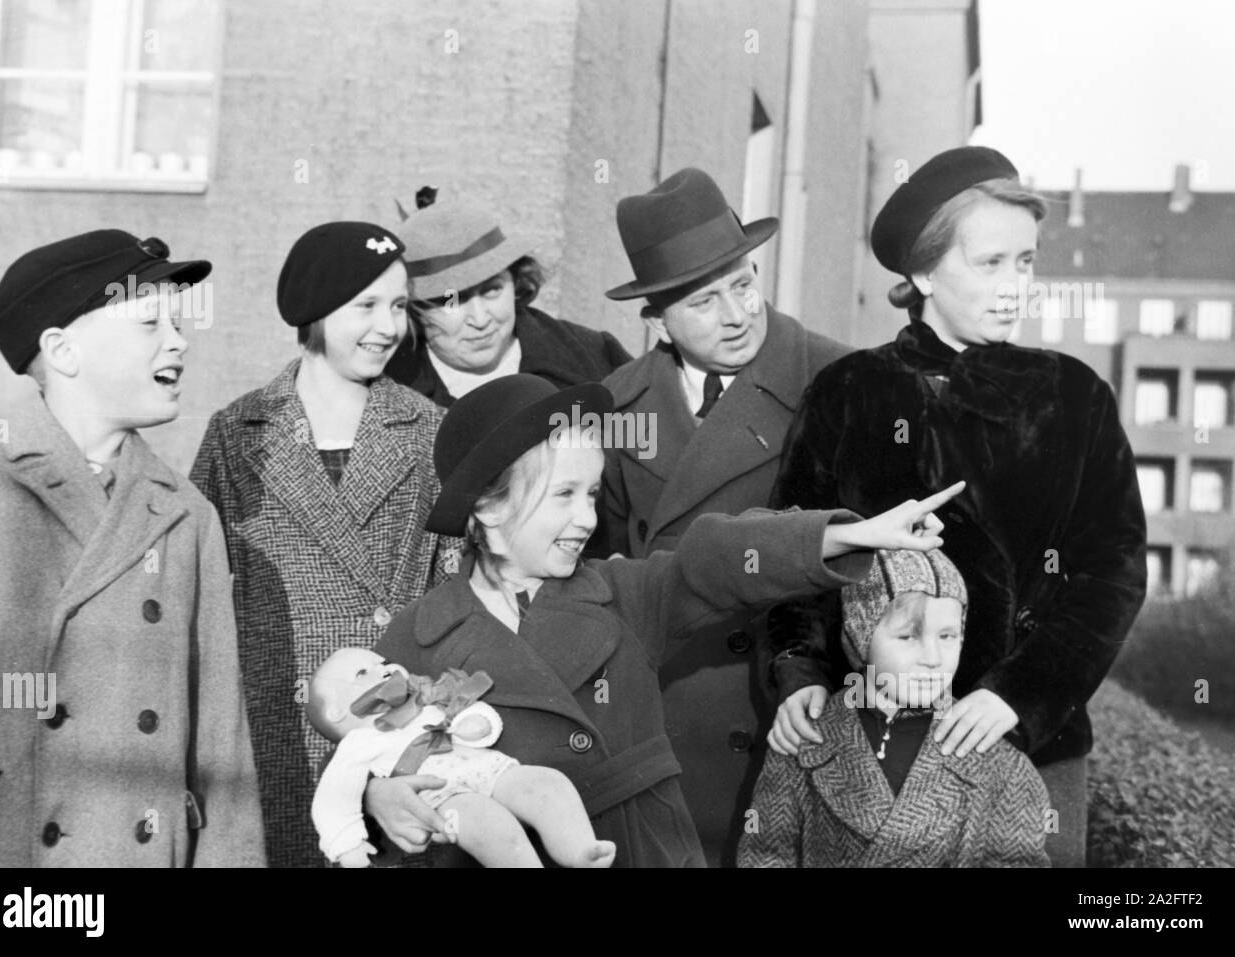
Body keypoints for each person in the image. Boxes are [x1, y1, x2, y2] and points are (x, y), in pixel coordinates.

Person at [362, 373, 964, 866]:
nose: (586, 519)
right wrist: (380, 795)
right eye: (563, 495)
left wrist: (848, 534)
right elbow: (370, 756)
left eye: (593, 494)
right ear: (487, 512)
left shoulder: (622, 594)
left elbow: (718, 559)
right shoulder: (416, 637)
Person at [768, 146, 1148, 867]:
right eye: (990, 262)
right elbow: (797, 556)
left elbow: (1114, 574)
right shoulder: (849, 392)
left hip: (1035, 753)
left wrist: (1020, 695)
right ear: (922, 272)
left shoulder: (1075, 398)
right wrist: (802, 677)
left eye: (1026, 262)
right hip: (873, 750)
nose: (1014, 287)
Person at [0, 230, 263, 866]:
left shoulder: (185, 513)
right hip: (3, 851)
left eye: (176, 323)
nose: (177, 341)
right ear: (63, 351)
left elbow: (220, 738)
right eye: (149, 321)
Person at [594, 167, 850, 864]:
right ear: (655, 318)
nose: (737, 314)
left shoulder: (836, 382)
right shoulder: (616, 409)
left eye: (743, 284)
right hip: (657, 732)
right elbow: (605, 571)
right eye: (705, 301)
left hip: (787, 718)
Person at [190, 222, 460, 867]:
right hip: (272, 727)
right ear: (313, 314)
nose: (388, 326)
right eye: (365, 306)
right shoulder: (238, 433)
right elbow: (199, 595)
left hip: (395, 731)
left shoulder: (429, 429)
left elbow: (455, 588)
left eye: (398, 306)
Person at [738, 548, 1050, 868]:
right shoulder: (802, 741)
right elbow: (765, 855)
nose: (932, 657)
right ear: (861, 637)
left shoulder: (1002, 764)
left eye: (947, 636)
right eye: (907, 637)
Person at [306, 648, 615, 868]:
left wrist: (478, 724)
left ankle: (579, 849)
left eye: (382, 662)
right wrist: (348, 845)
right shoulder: (357, 745)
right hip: (444, 799)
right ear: (336, 711)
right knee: (493, 828)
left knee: (546, 783)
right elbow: (334, 796)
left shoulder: (424, 703)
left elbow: (470, 713)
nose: (383, 669)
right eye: (363, 673)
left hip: (489, 769)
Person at [384, 192, 632, 406]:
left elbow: (647, 444)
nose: (480, 320)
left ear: (516, 282)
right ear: (414, 310)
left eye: (492, 290)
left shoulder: (590, 354)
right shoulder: (386, 384)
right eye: (453, 301)